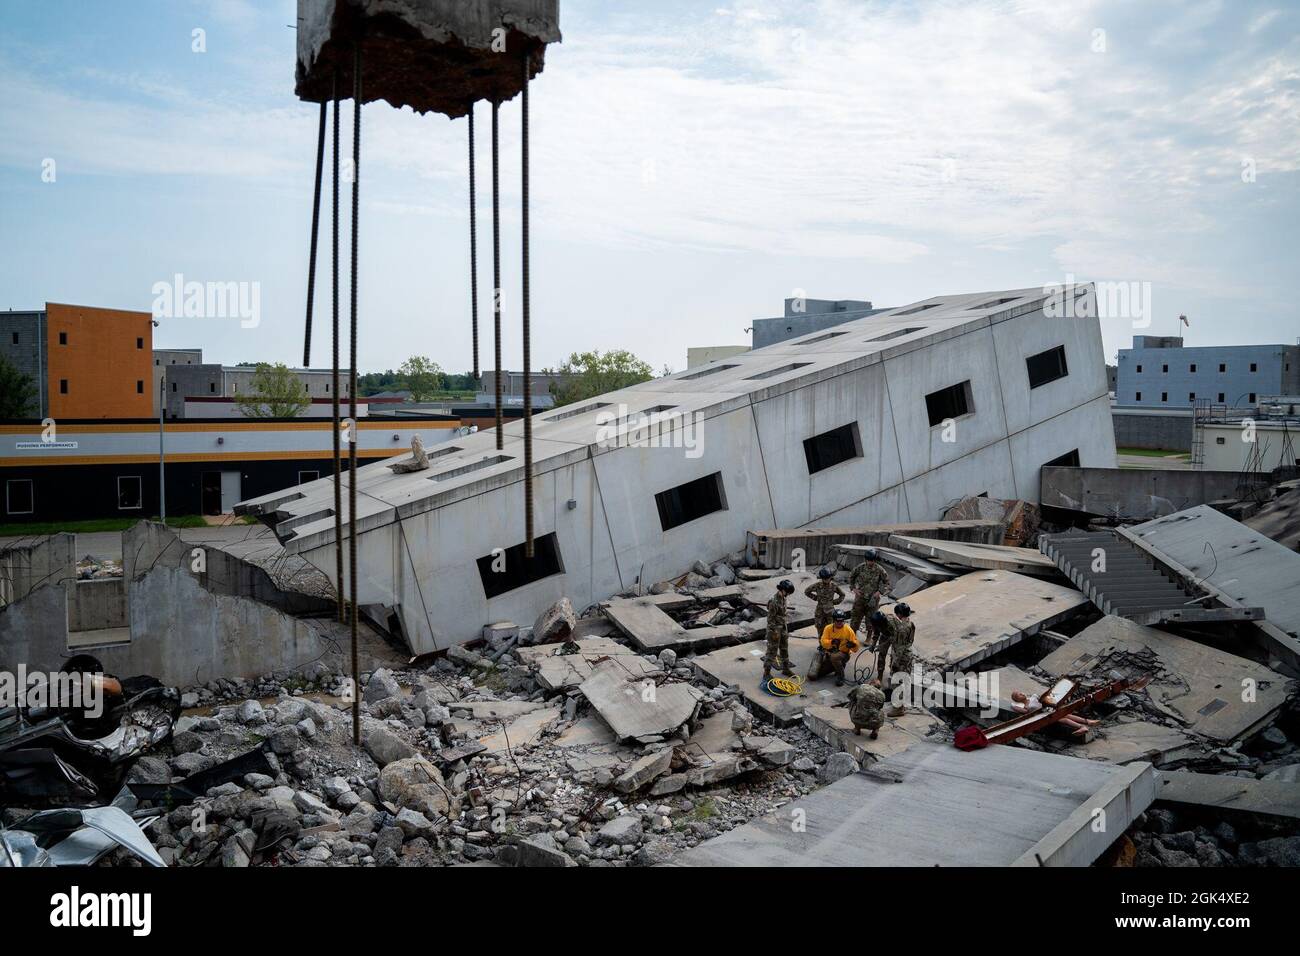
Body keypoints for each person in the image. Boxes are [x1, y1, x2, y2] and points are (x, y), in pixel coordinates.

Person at [1010, 690, 1100, 738]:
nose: (1022, 694)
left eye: (1021, 692)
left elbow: (1046, 698)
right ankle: (1083, 726)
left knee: (1066, 715)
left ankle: (1087, 722)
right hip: (1044, 716)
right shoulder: (1025, 707)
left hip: (1049, 710)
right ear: (1018, 700)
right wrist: (1014, 704)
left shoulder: (1034, 696)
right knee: (1063, 719)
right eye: (1019, 695)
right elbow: (1015, 707)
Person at [809, 608, 859, 686]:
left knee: (834, 657)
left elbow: (855, 648)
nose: (839, 623)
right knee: (814, 676)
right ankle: (837, 667)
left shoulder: (848, 630)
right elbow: (823, 642)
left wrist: (853, 645)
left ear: (843, 620)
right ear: (833, 620)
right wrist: (831, 642)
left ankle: (841, 676)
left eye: (841, 621)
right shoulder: (828, 628)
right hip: (830, 653)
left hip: (843, 653)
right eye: (837, 621)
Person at [762, 579, 797, 682]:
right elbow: (770, 619)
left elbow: (782, 613)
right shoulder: (774, 601)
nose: (788, 595)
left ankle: (785, 669)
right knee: (772, 651)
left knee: (784, 648)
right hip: (774, 629)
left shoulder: (783, 598)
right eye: (788, 592)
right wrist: (774, 633)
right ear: (782, 590)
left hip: (782, 627)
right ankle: (766, 672)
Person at [849, 549, 889, 634]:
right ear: (866, 560)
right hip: (860, 597)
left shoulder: (880, 570)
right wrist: (854, 589)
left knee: (871, 618)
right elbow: (851, 577)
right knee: (856, 616)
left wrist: (879, 592)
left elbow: (887, 582)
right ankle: (852, 634)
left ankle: (869, 636)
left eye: (872, 561)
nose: (870, 562)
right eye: (869, 560)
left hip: (873, 598)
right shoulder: (860, 568)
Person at [804, 567, 845, 636]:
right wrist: (815, 598)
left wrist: (835, 602)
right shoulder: (817, 585)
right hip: (820, 610)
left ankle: (830, 644)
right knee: (819, 627)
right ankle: (821, 643)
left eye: (827, 578)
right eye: (824, 579)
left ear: (830, 577)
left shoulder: (833, 586)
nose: (826, 580)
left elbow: (842, 595)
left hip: (830, 611)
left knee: (832, 628)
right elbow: (807, 591)